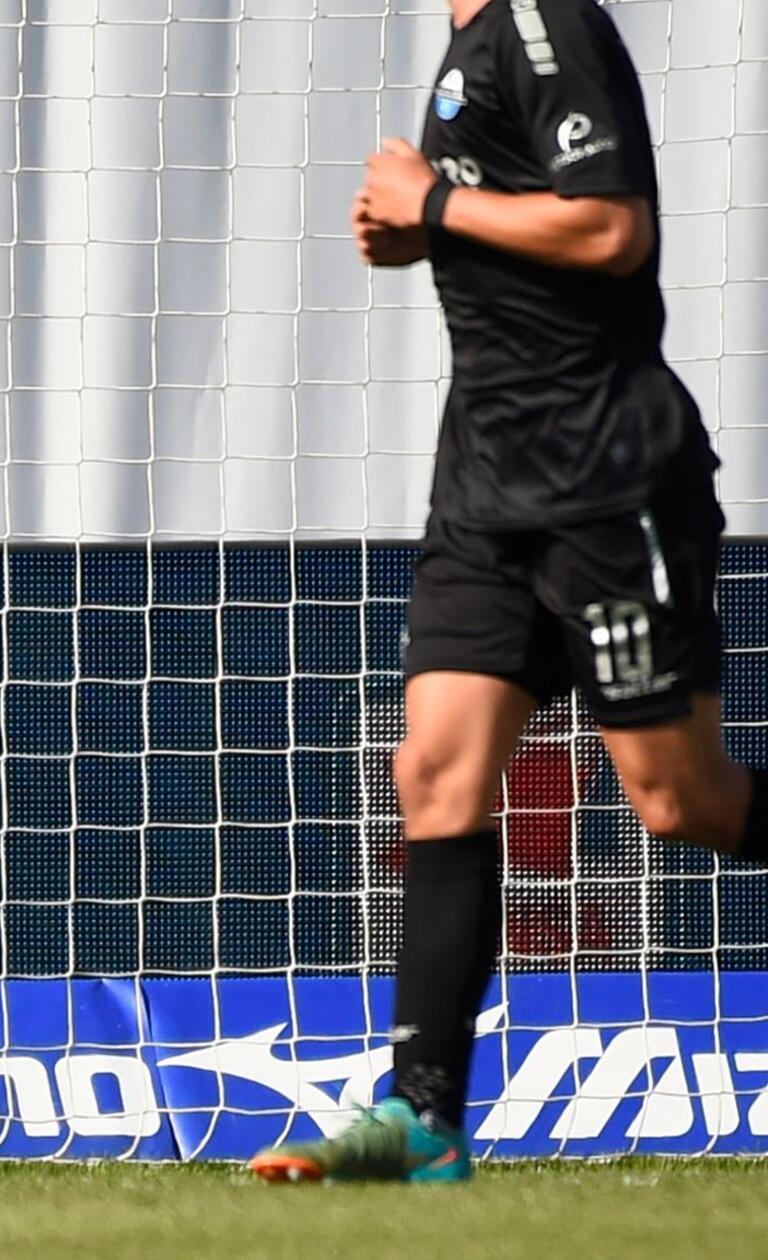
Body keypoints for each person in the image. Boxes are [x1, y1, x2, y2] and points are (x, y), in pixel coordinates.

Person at [253, 0, 768, 1184]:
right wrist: (420, 235)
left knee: (676, 802)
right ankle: (421, 1119)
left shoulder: (544, 22)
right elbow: (518, 229)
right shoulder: (470, 37)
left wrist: (429, 205)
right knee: (430, 768)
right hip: (484, 489)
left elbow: (607, 229)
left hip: (603, 481)